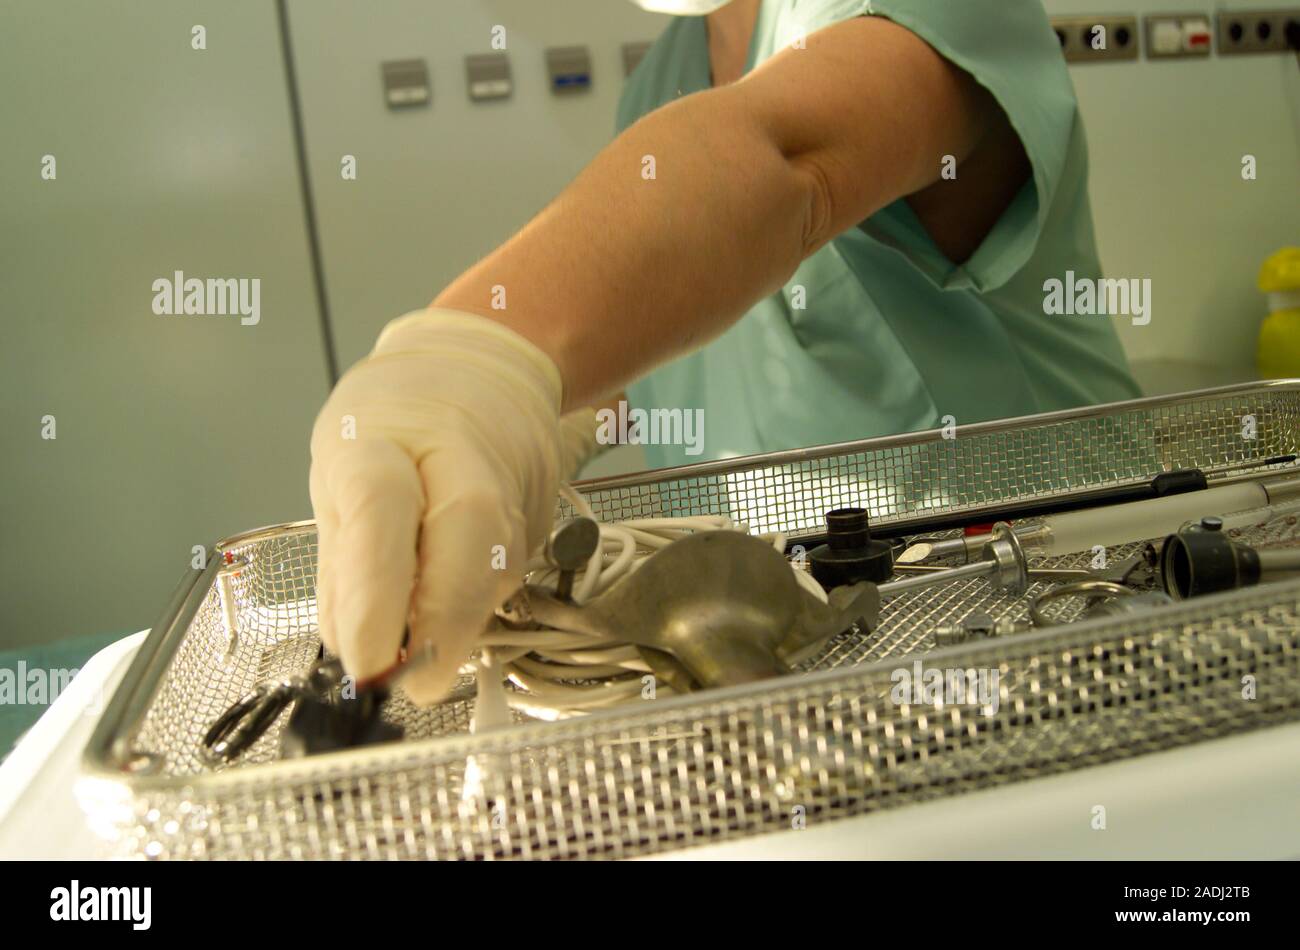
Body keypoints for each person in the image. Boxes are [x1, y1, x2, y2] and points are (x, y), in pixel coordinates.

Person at [309, 0, 1141, 704]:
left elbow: (781, 170)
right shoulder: (664, 75)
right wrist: (562, 418)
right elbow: (689, 316)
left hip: (1041, 594)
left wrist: (478, 353)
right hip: (780, 632)